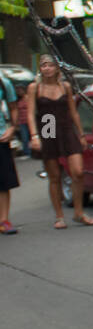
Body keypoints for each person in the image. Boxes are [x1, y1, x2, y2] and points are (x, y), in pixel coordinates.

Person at [26, 54, 93, 228]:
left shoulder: (65, 86)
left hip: (66, 129)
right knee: (54, 176)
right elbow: (30, 114)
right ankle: (59, 216)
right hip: (48, 128)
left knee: (78, 172)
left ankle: (79, 212)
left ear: (56, 68)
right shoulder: (35, 88)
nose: (47, 68)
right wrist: (34, 136)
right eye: (43, 66)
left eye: (50, 65)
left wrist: (81, 135)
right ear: (40, 69)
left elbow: (74, 112)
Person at [0, 72, 19, 234]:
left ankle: (4, 220)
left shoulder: (4, 83)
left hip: (1, 138)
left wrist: (12, 128)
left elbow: (13, 107)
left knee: (3, 183)